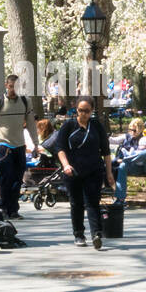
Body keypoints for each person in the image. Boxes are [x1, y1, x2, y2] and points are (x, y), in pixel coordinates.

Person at [50, 99, 114, 249]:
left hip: (94, 170)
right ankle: (79, 234)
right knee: (76, 203)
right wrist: (65, 165)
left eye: (87, 111)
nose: (83, 114)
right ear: (76, 110)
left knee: (93, 202)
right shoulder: (68, 125)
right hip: (73, 171)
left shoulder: (97, 126)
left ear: (92, 111)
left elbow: (106, 152)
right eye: (80, 110)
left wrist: (109, 172)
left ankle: (96, 234)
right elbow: (60, 148)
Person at [0, 74, 39, 219]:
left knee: (18, 178)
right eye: (11, 87)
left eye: (16, 87)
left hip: (19, 145)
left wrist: (36, 144)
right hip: (3, 146)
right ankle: (4, 208)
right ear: (6, 85)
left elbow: (31, 123)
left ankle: (13, 209)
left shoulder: (25, 101)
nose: (13, 90)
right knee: (6, 178)